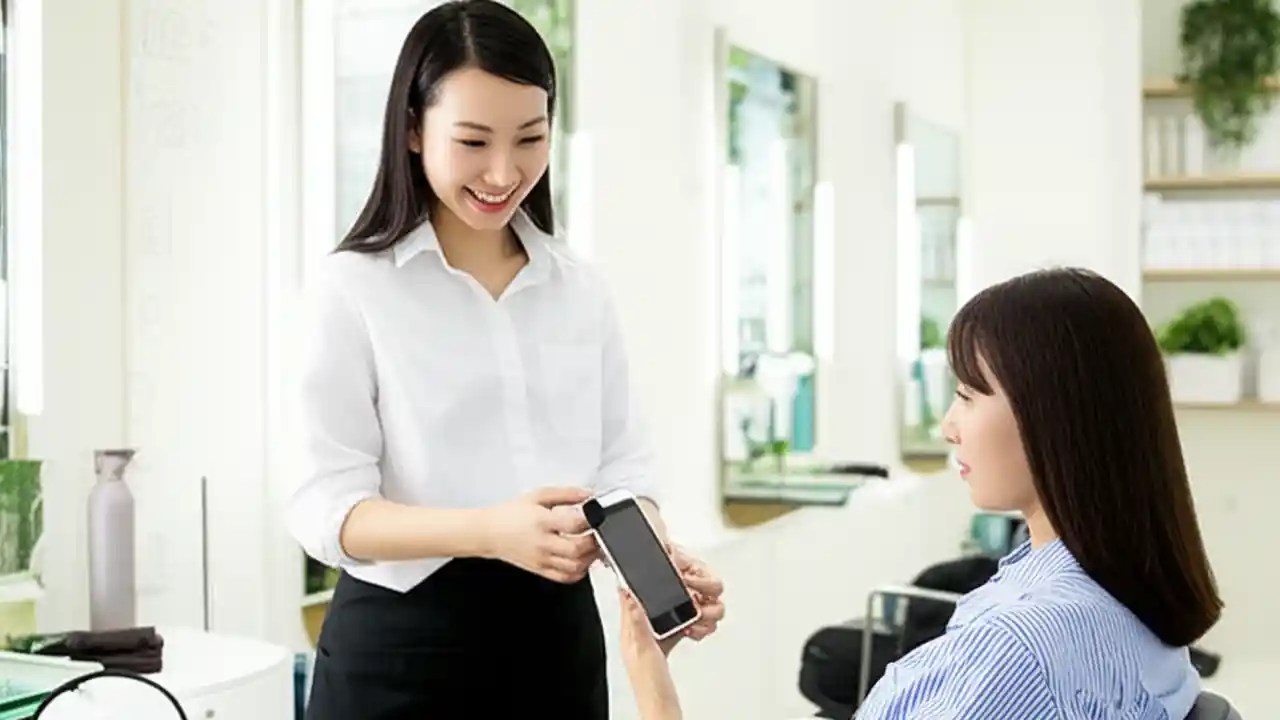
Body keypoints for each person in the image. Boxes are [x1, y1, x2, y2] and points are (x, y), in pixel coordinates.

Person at [286, 2, 724, 717]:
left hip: (554, 650)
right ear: (411, 132)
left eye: (530, 138)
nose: (503, 171)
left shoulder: (579, 288)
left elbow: (623, 474)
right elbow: (324, 508)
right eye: (472, 141)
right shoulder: (353, 288)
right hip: (398, 654)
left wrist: (657, 567)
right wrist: (489, 531)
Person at [619, 267, 1222, 720]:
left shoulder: (1018, 652)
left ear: (1055, 417)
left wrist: (648, 673)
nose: (947, 426)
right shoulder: (1124, 587)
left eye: (966, 395)